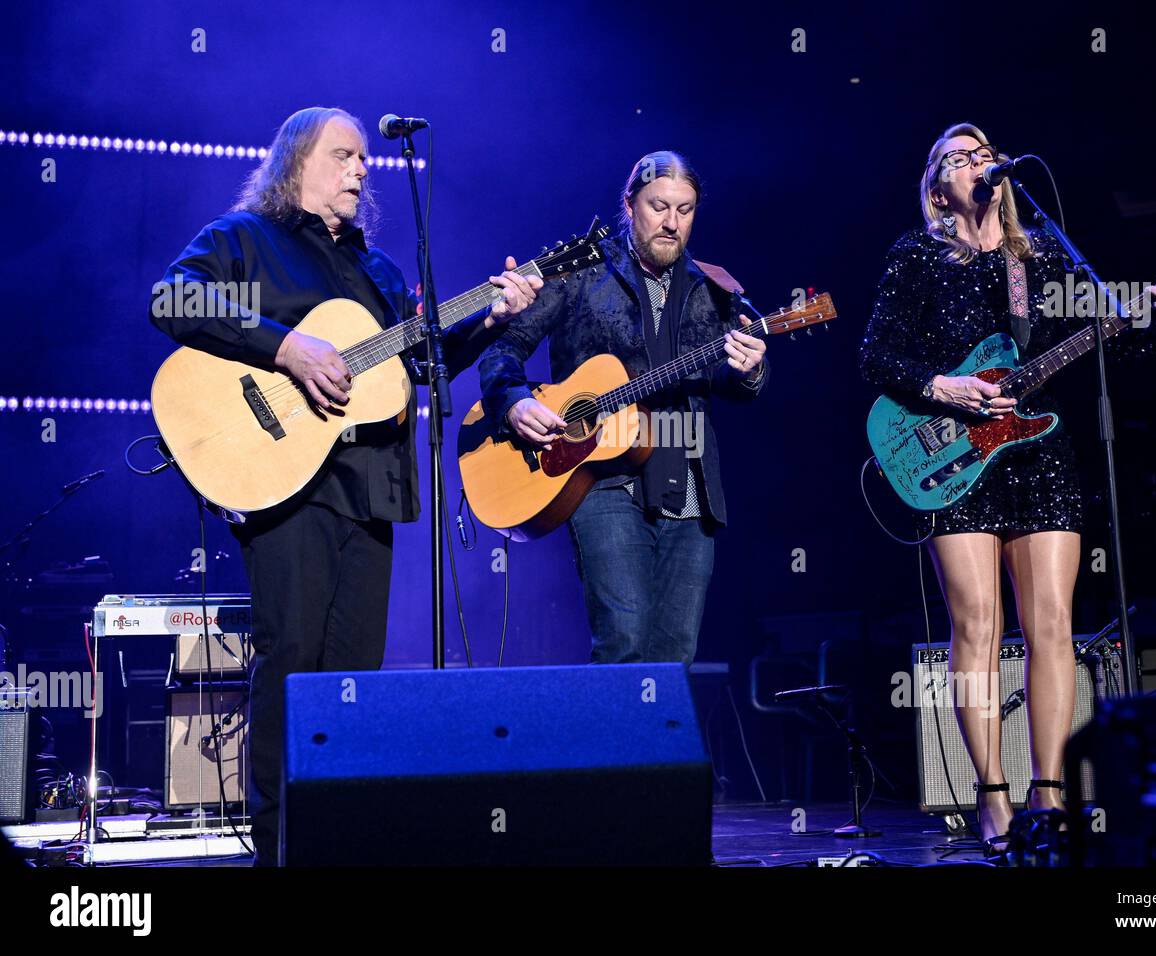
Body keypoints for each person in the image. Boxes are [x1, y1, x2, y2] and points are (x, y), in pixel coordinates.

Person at [149, 106, 542, 863]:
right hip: (285, 490)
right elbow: (173, 298)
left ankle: (339, 841)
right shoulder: (243, 240)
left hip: (369, 490)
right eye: (346, 155)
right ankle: (278, 847)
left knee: (353, 677)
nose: (363, 169)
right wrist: (285, 345)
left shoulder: (381, 271)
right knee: (291, 660)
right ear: (298, 161)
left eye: (367, 158)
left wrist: (492, 318)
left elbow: (423, 364)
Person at [860, 123, 1156, 851]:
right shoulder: (916, 256)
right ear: (937, 185)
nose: (979, 163)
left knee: (1050, 624)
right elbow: (875, 353)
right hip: (952, 458)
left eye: (986, 153)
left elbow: (1110, 331)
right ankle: (991, 793)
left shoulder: (1039, 257)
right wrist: (942, 386)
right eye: (960, 156)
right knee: (977, 625)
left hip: (1038, 455)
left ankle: (1050, 791)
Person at [478, 150, 769, 665]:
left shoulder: (715, 288)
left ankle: (666, 750)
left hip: (691, 478)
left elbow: (731, 380)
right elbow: (504, 347)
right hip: (601, 483)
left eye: (685, 210)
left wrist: (750, 369)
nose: (671, 222)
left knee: (676, 654)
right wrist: (515, 403)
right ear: (630, 204)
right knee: (624, 644)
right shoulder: (581, 272)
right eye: (659, 206)